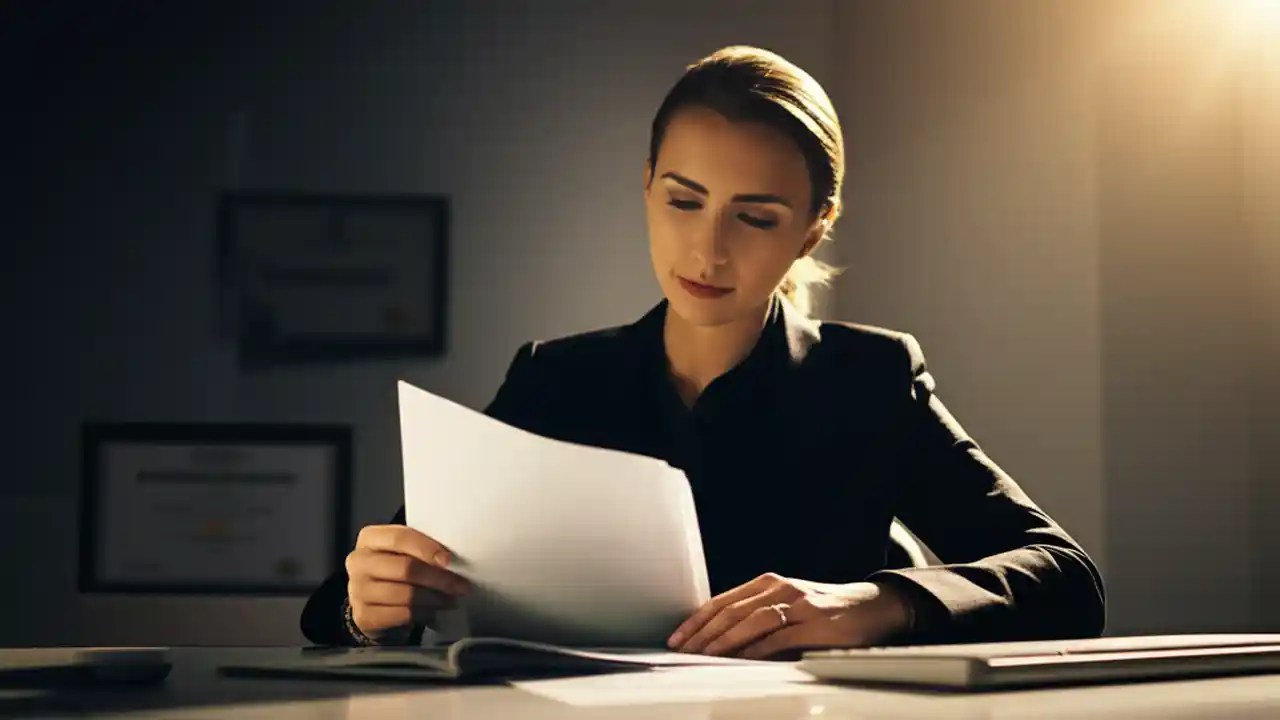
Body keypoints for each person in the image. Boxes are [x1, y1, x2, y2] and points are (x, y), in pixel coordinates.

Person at [301, 45, 1105, 659]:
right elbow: (337, 606)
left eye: (754, 217)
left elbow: (1068, 578)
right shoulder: (556, 379)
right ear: (647, 183)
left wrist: (872, 602)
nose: (708, 251)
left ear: (813, 229)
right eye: (684, 201)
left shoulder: (870, 379)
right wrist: (366, 602)